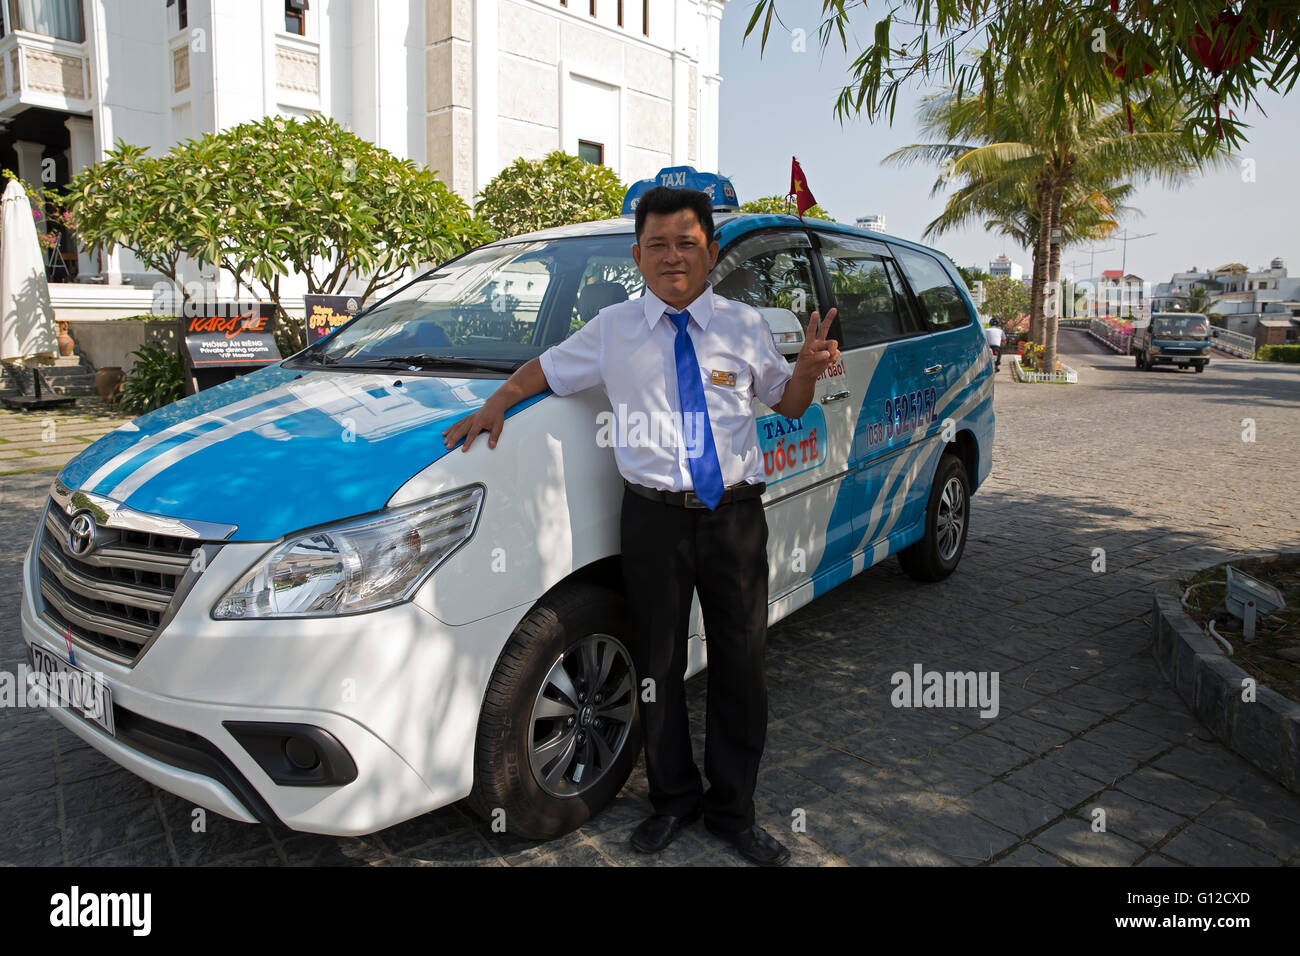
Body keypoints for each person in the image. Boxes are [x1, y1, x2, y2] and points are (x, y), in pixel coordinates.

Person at [442, 186, 838, 865]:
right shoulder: (613, 329)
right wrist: (498, 402)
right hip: (653, 520)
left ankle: (733, 811)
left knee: (741, 667)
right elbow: (545, 368)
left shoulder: (743, 326)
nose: (672, 256)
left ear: (711, 252)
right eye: (657, 244)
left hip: (733, 518)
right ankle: (673, 801)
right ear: (638, 255)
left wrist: (803, 369)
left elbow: (790, 404)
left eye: (687, 243)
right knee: (657, 665)